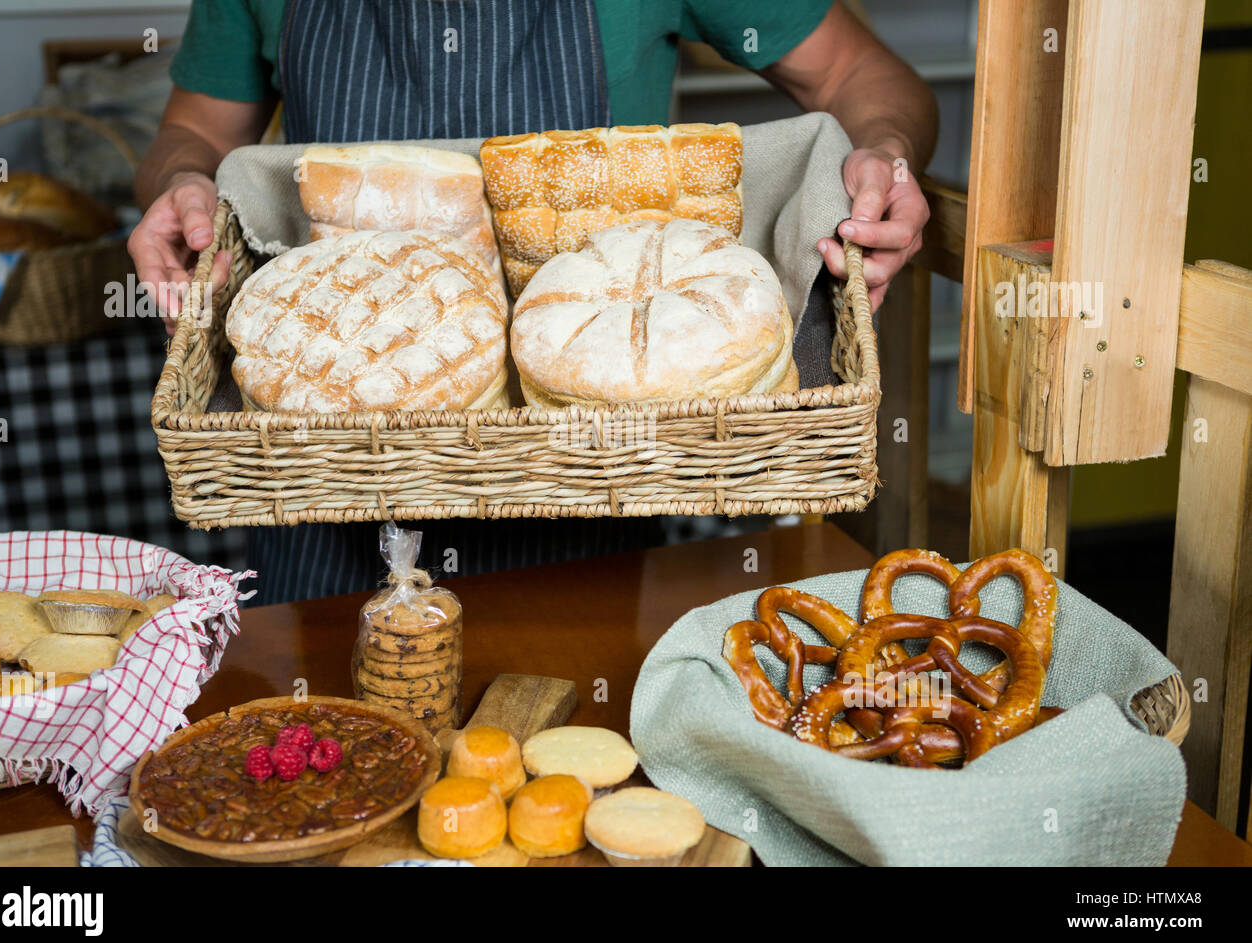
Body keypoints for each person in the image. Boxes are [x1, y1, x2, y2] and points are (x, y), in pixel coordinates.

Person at [130, 0, 937, 604]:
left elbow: (862, 77)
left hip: (598, 498)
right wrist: (179, 185)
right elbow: (194, 131)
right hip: (324, 484)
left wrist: (887, 159)